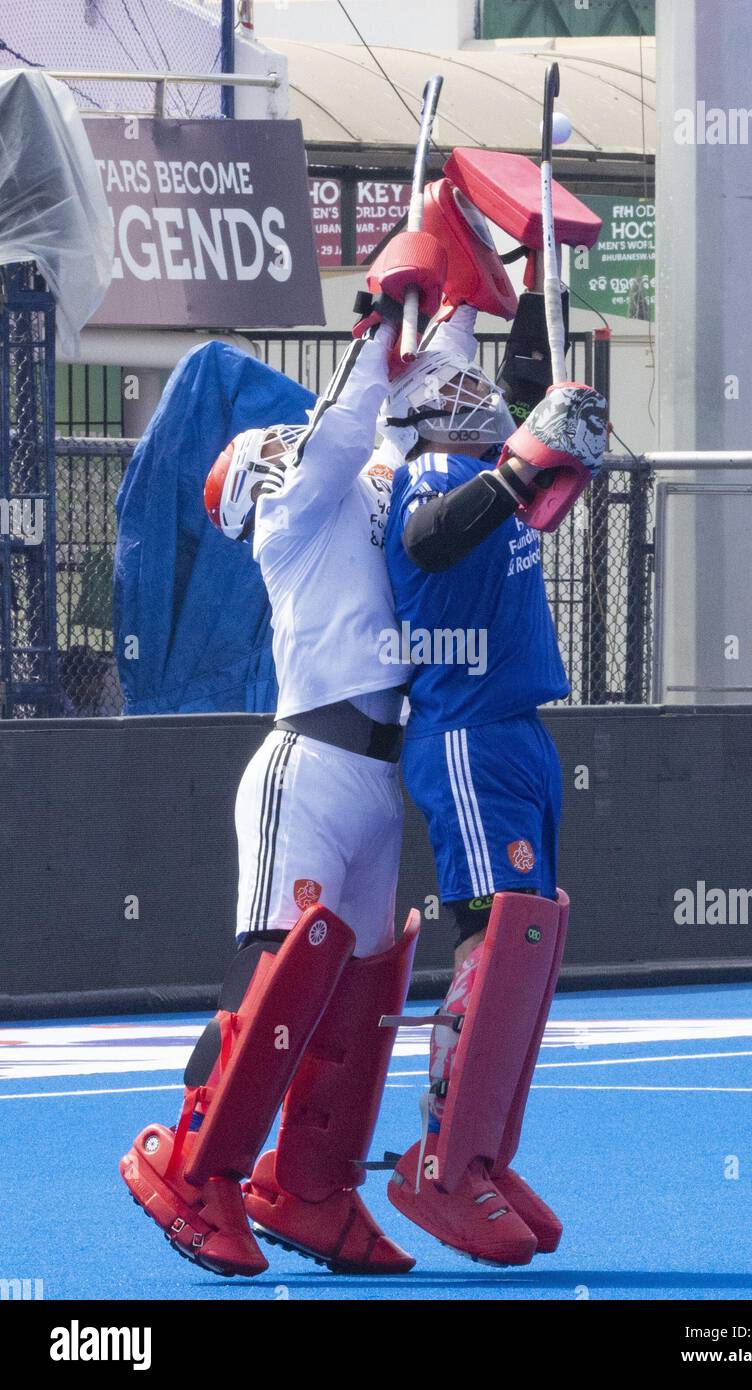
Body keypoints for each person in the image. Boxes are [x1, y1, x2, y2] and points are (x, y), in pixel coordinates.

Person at [119, 236, 445, 1277]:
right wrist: (377, 308)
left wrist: (442, 304)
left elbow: (408, 407)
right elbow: (355, 418)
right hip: (306, 765)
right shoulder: (295, 510)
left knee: (355, 997)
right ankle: (190, 1161)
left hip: (370, 773)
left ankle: (309, 1186)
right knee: (274, 980)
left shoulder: (354, 488)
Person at [382, 305, 607, 1265]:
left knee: (526, 939)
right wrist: (521, 463)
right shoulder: (429, 474)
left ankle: (480, 1150)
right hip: (466, 733)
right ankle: (439, 1159)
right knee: (491, 937)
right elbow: (431, 541)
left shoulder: (477, 463)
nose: (483, 397)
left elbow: (521, 387)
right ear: (424, 404)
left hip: (511, 727)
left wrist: (532, 291)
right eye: (459, 385)